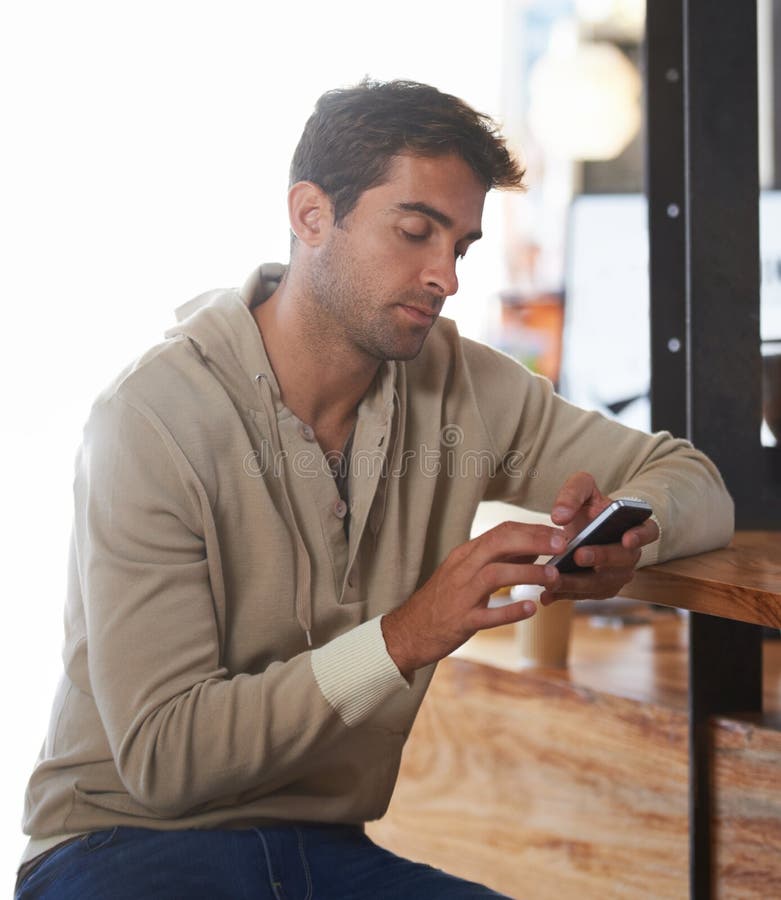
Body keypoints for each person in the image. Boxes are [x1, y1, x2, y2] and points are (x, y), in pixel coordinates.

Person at [16, 79, 733, 899]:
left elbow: (694, 481)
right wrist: (405, 634)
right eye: (415, 232)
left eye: (460, 247)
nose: (445, 277)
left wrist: (619, 541)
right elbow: (165, 762)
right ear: (310, 215)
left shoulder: (462, 386)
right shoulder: (152, 418)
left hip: (327, 851)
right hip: (121, 845)